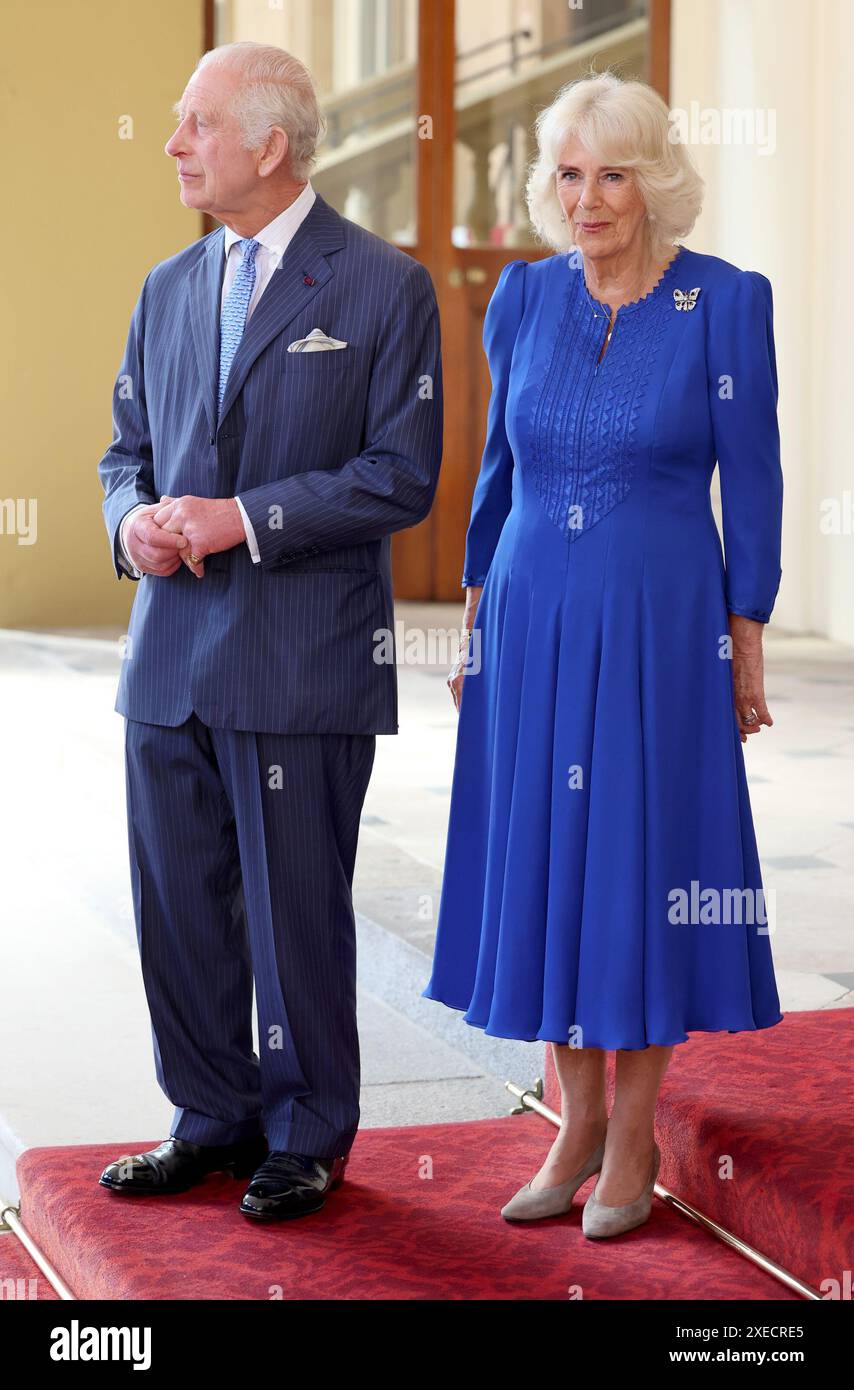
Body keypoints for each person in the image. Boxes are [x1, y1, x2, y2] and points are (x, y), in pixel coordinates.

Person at [423, 71, 783, 1239]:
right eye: (569, 174)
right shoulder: (523, 298)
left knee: (639, 861)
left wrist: (745, 641)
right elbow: (495, 470)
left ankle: (633, 1133)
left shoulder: (721, 303)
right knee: (545, 858)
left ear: (654, 184)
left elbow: (757, 481)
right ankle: (570, 1123)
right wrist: (474, 611)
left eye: (612, 174)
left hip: (657, 624)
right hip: (532, 615)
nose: (587, 198)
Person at [97, 41, 442, 1221]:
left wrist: (242, 518)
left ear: (268, 145)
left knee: (295, 914)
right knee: (176, 906)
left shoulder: (382, 287)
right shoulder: (163, 286)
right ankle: (209, 1114)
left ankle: (304, 1133)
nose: (173, 142)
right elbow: (122, 456)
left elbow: (403, 475)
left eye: (194, 123)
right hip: (167, 660)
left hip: (302, 663)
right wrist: (129, 520)